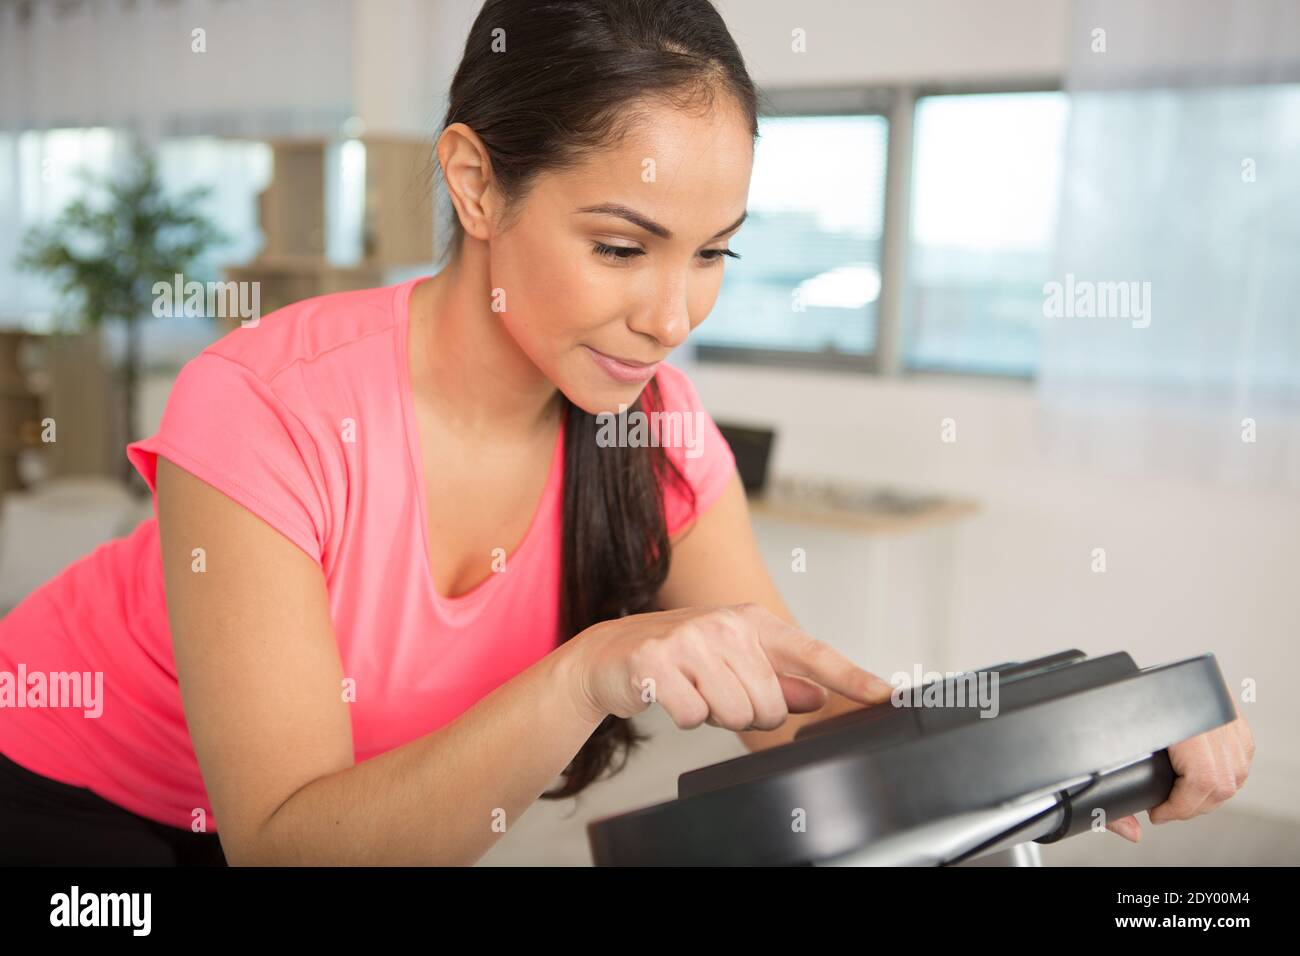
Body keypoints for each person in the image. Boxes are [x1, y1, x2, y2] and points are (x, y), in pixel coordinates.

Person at [0, 0, 1253, 866]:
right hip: (63, 791)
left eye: (713, 253)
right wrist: (584, 667)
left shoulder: (651, 434)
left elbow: (805, 710)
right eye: (620, 246)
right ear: (476, 182)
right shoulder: (267, 405)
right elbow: (285, 841)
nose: (671, 314)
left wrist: (1093, 731)